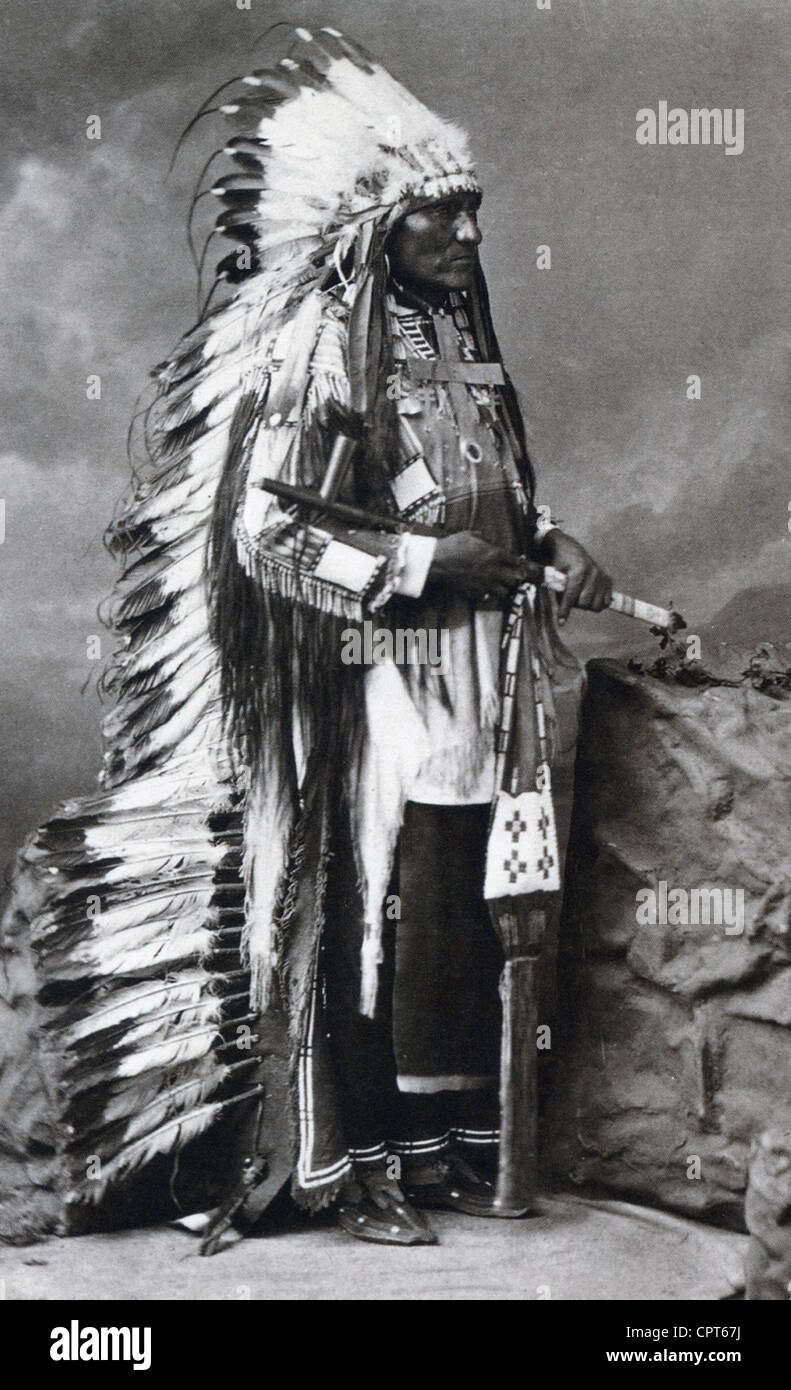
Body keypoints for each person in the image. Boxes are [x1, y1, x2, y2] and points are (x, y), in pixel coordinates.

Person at [0, 27, 610, 1249]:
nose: (471, 238)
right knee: (370, 916)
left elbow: (472, 475)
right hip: (365, 681)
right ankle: (357, 1167)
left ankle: (445, 1148)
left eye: (474, 210)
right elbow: (266, 534)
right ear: (377, 226)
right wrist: (426, 567)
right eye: (443, 217)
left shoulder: (451, 335)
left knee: (455, 912)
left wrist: (544, 538)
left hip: (480, 682)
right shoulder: (321, 344)